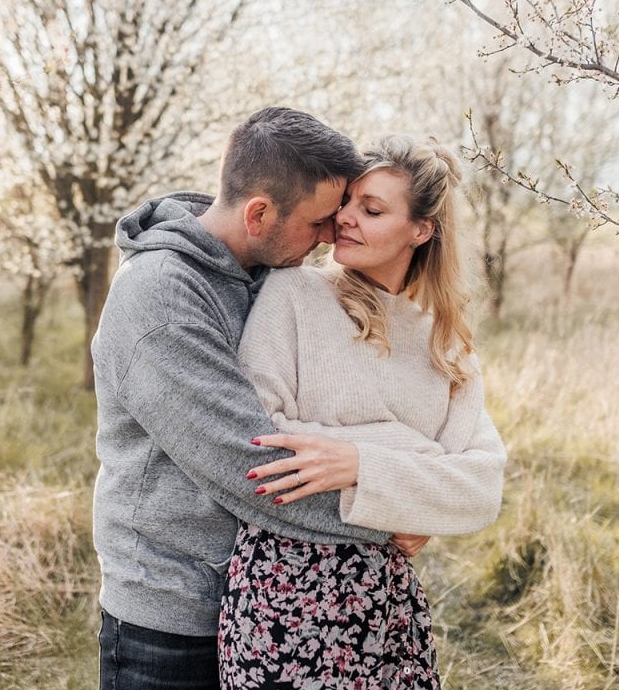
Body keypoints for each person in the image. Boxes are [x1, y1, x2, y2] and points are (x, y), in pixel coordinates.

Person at [91, 107, 396, 690]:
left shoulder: (265, 274)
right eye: (317, 222)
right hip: (171, 621)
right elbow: (250, 464)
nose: (331, 236)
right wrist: (390, 514)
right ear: (259, 213)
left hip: (258, 604)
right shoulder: (160, 300)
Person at [218, 134, 507, 689]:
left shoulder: (447, 343)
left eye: (371, 210)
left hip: (387, 601)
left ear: (421, 231)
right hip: (284, 592)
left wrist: (357, 463)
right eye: (348, 202)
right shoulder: (293, 293)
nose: (344, 219)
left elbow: (480, 487)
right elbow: (262, 439)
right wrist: (418, 471)